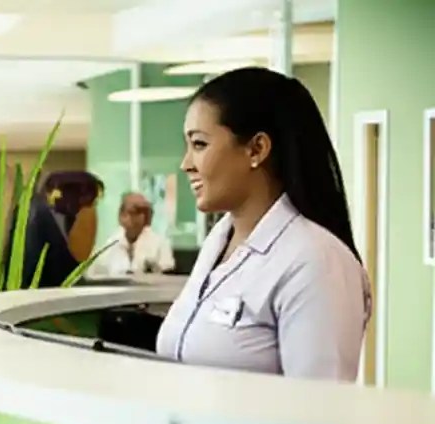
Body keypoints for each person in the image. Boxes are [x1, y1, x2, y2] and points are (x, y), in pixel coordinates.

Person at [156, 67, 371, 381]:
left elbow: (321, 411)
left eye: (199, 145)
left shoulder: (316, 262)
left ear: (256, 149)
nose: (186, 164)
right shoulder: (220, 239)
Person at [86, 192, 176, 279]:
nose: (137, 217)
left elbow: (168, 277)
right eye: (132, 212)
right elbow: (96, 275)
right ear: (121, 215)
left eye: (142, 212)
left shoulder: (160, 244)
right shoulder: (110, 244)